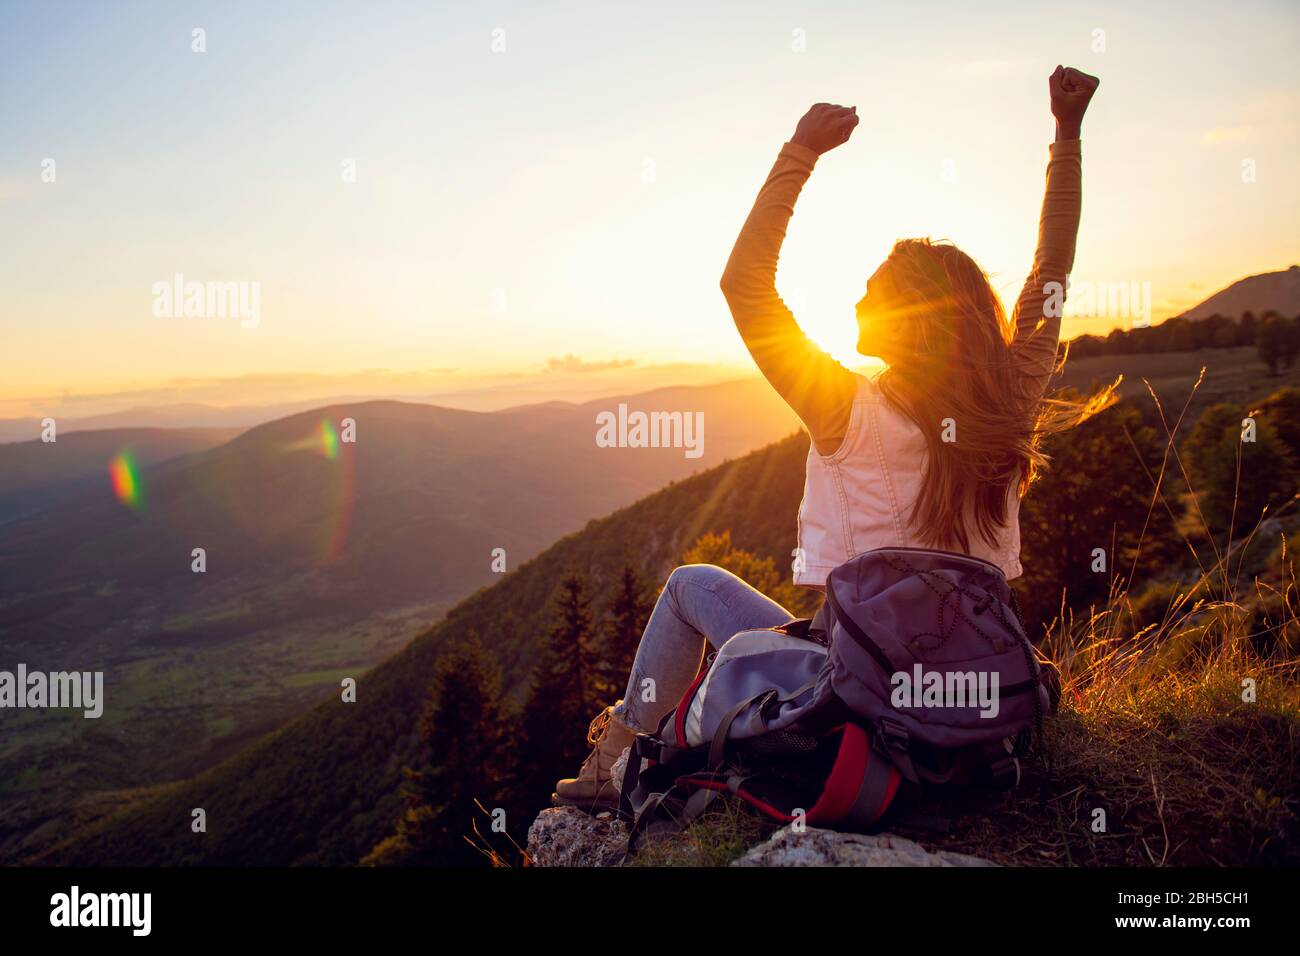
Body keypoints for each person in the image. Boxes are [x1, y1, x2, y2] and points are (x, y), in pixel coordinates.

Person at [554, 65, 1105, 810]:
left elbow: (744, 286)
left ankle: (615, 763)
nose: (855, 296)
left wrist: (799, 152)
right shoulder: (1008, 402)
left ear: (906, 316)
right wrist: (1067, 135)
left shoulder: (844, 407)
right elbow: (1052, 271)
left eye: (872, 288)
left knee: (690, 587)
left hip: (857, 684)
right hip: (966, 683)